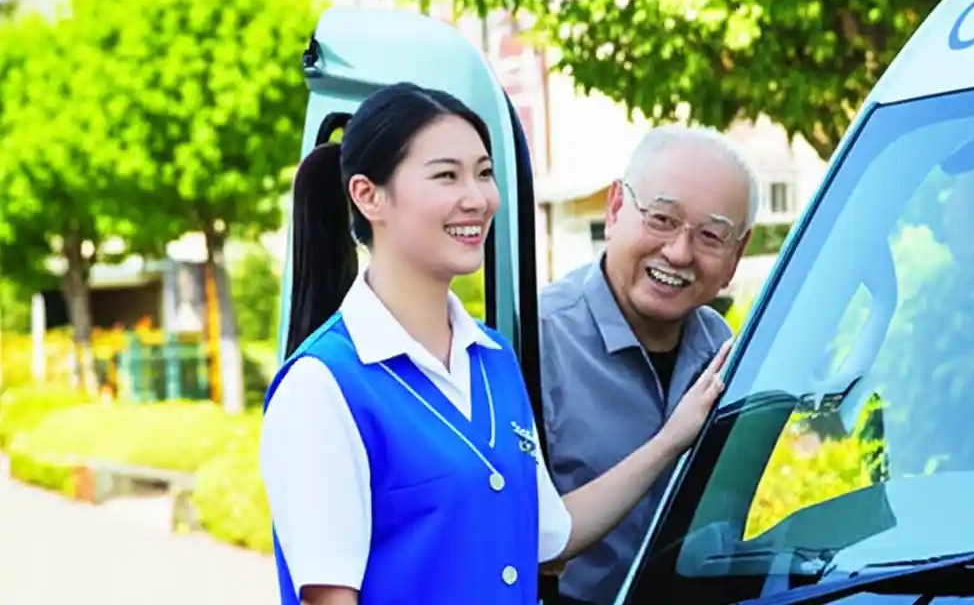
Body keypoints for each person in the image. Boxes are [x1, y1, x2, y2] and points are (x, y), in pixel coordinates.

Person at [258, 83, 730, 605]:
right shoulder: (322, 386)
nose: (479, 198)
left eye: (484, 173)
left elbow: (551, 537)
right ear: (369, 196)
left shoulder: (493, 360)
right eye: (446, 175)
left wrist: (674, 438)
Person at [539, 126, 759, 604]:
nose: (679, 253)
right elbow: (526, 541)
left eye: (711, 236)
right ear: (615, 208)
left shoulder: (722, 348)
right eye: (661, 219)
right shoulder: (537, 342)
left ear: (737, 254)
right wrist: (668, 443)